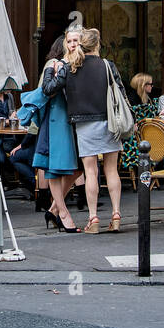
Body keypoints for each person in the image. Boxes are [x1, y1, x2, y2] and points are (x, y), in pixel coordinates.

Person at [47, 28, 124, 234]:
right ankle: (116, 214)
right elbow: (121, 92)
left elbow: (49, 88)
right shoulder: (108, 65)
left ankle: (93, 218)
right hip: (110, 122)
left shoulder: (71, 66)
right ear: (97, 45)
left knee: (91, 171)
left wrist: (51, 69)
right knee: (112, 170)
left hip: (84, 123)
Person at [21, 31, 82, 232]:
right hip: (56, 120)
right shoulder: (55, 64)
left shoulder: (82, 64)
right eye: (70, 41)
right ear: (65, 43)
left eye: (76, 41)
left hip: (75, 120)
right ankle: (63, 213)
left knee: (78, 168)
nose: (73, 44)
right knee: (53, 168)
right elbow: (46, 91)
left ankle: (54, 209)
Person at [118, 73, 156, 175]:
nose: (152, 86)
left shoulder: (146, 99)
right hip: (133, 136)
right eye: (150, 84)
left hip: (143, 134)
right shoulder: (132, 99)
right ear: (143, 85)